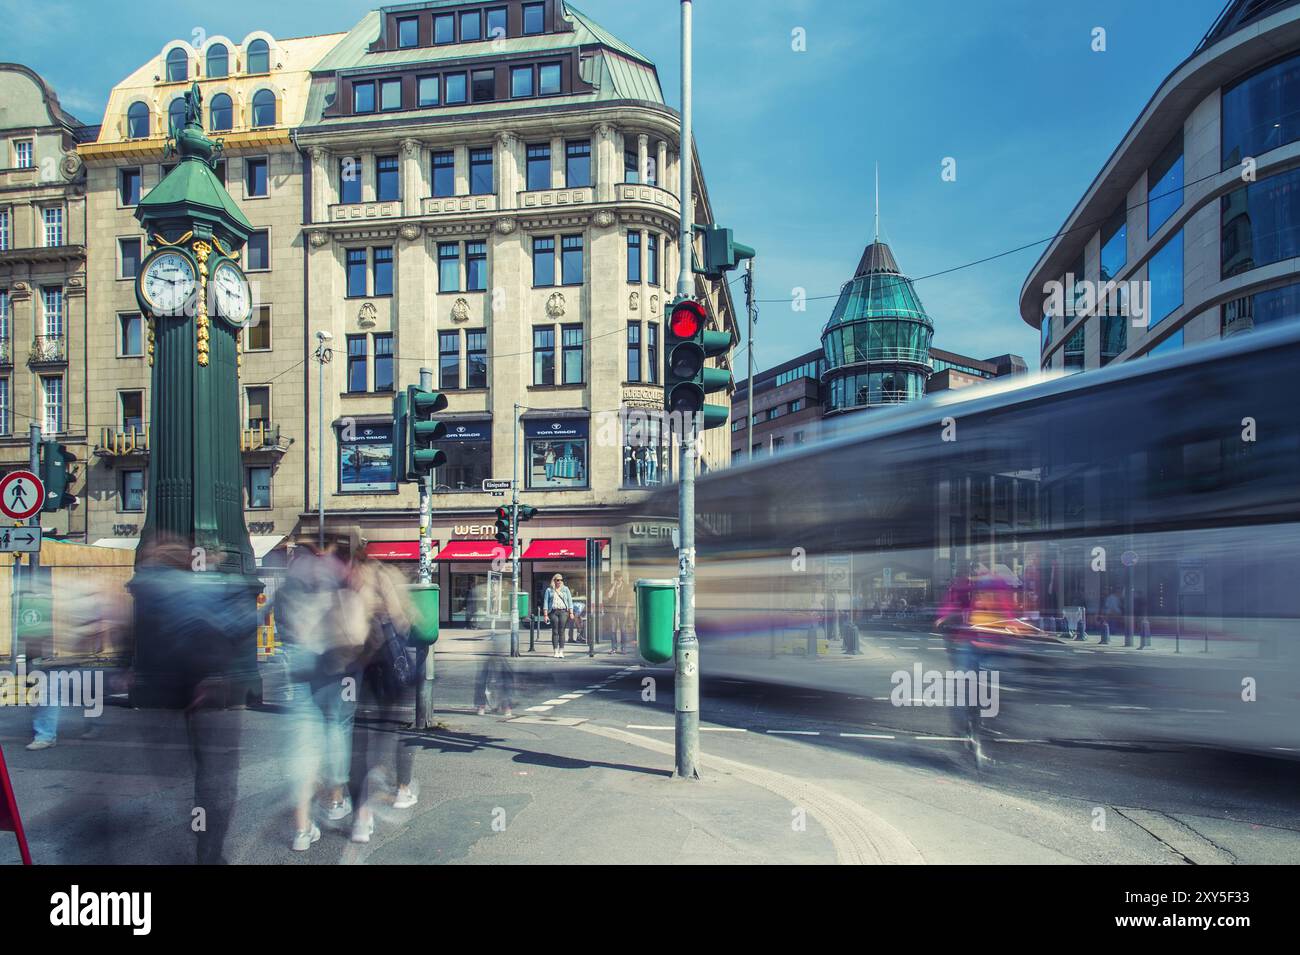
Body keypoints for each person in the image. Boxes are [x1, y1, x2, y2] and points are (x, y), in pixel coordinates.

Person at [276, 541, 367, 853]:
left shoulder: (288, 584)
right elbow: (354, 629)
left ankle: (302, 829)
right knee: (337, 727)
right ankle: (335, 798)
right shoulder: (333, 579)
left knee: (303, 745)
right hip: (331, 663)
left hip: (297, 665)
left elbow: (277, 624)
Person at [348, 555, 419, 844]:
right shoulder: (383, 576)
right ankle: (402, 789)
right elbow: (404, 621)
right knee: (397, 730)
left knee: (359, 740)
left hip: (357, 668)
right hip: (388, 668)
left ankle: (361, 819)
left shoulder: (350, 581)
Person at [544, 573, 573, 658]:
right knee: (555, 631)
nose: (560, 581)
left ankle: (561, 651)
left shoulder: (565, 589)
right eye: (558, 580)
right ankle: (555, 651)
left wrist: (571, 613)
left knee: (562, 631)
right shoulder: (549, 590)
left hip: (563, 612)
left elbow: (570, 601)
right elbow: (545, 602)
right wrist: (545, 615)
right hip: (553, 612)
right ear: (554, 580)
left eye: (561, 580)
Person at [606, 573, 630, 653]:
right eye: (616, 577)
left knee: (623, 630)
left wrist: (626, 610)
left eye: (619, 577)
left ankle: (623, 648)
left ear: (621, 577)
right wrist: (613, 586)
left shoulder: (626, 587)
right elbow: (609, 596)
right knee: (613, 630)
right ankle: (614, 648)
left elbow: (628, 600)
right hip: (613, 611)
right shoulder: (612, 586)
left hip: (622, 611)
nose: (617, 578)